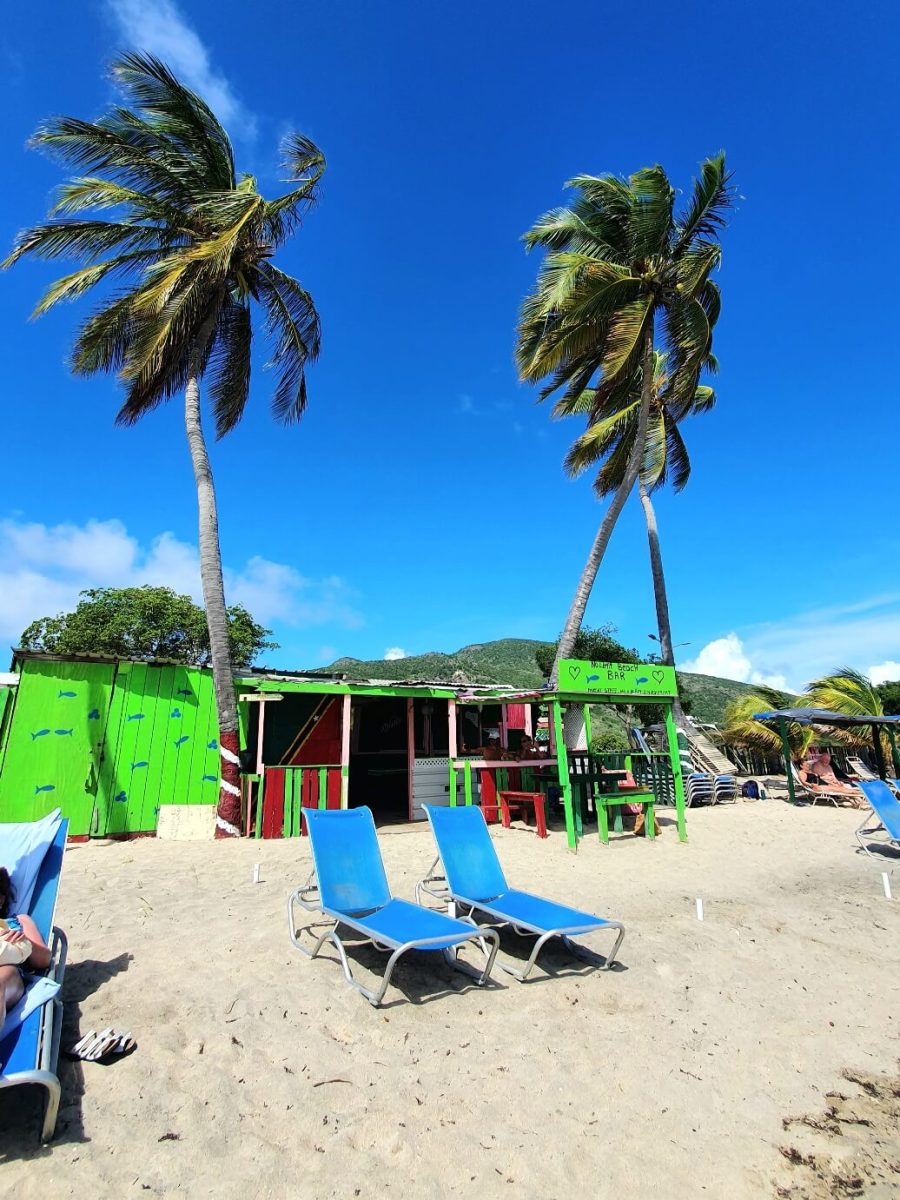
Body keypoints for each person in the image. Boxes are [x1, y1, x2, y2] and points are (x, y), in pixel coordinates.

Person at [0, 866, 51, 1028]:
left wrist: (25, 941)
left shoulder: (18, 922)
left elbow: (44, 960)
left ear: (1, 899)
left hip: (7, 973)